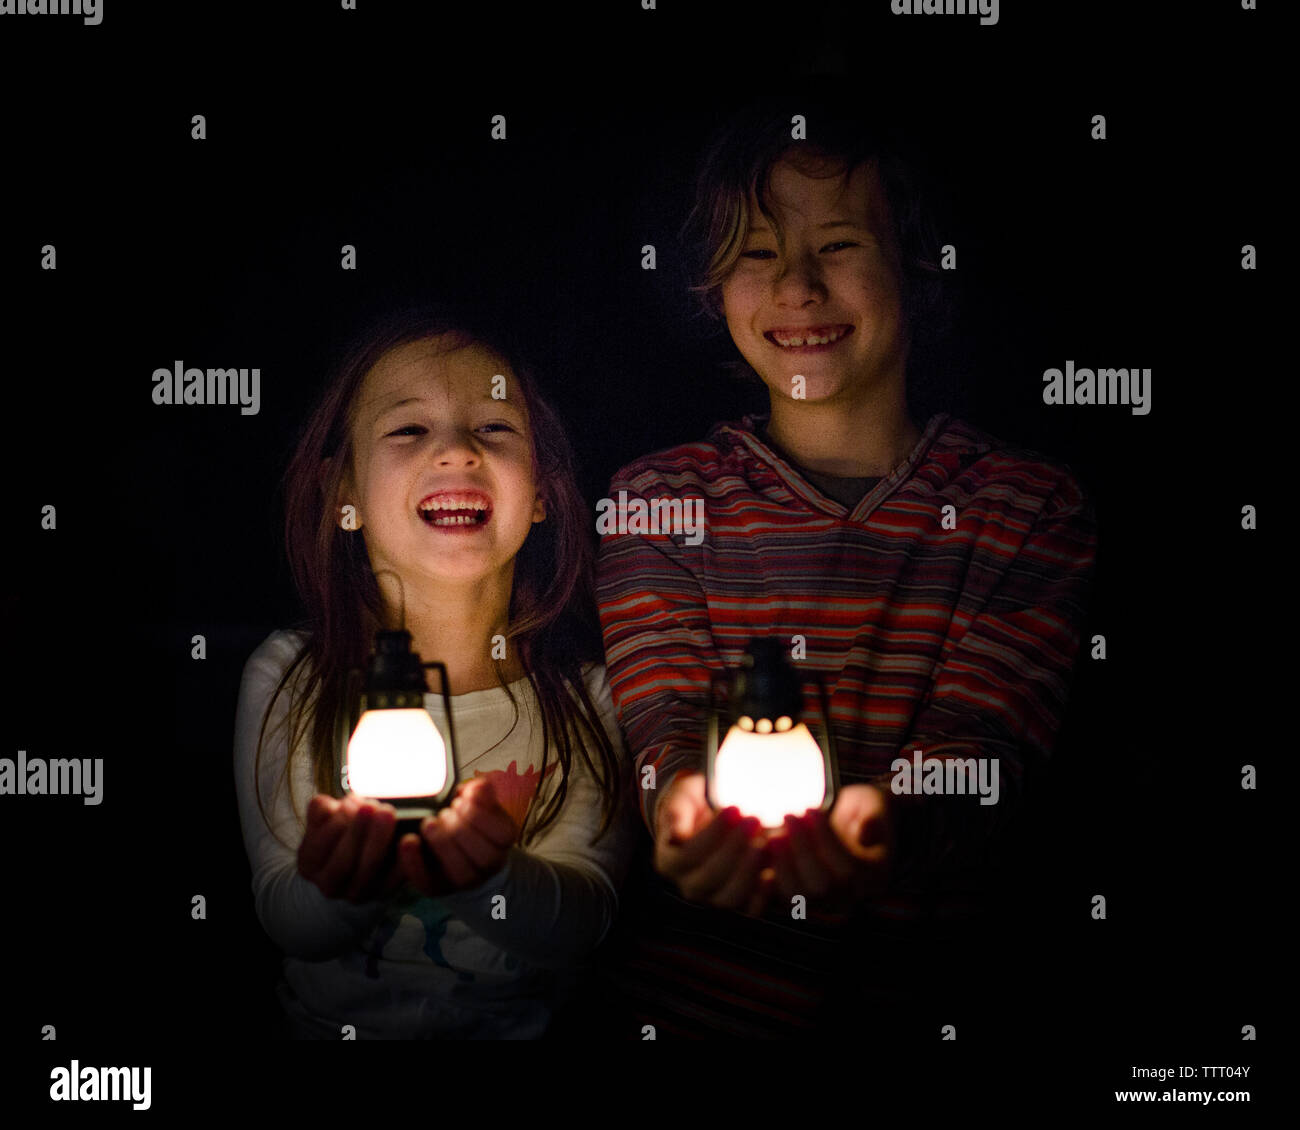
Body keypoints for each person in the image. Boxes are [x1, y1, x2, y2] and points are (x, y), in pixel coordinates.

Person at [594, 93, 1098, 1037]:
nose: (795, 287)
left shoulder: (1024, 508)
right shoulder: (656, 503)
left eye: (836, 245)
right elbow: (662, 728)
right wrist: (683, 816)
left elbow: (982, 755)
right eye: (755, 251)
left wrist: (878, 831)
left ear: (916, 265)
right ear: (711, 286)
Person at [233, 304, 635, 1039]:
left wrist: (484, 875)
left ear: (541, 491)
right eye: (409, 429)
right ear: (341, 495)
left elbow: (589, 915)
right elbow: (285, 917)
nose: (457, 451)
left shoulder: (592, 699)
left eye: (494, 426)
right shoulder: (291, 676)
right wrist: (344, 880)